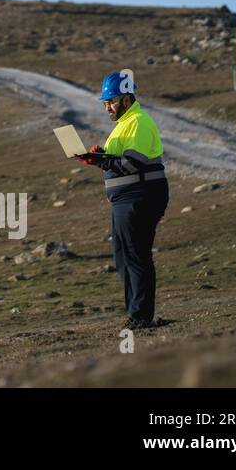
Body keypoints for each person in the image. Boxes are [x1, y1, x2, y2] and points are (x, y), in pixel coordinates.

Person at [76, 70, 169, 330]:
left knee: (135, 255)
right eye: (105, 102)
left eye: (112, 101)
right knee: (124, 257)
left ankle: (141, 317)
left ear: (127, 99)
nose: (107, 107)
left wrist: (102, 160)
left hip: (139, 196)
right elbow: (120, 161)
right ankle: (136, 315)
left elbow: (131, 163)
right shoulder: (124, 126)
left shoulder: (138, 121)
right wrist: (100, 157)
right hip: (127, 198)